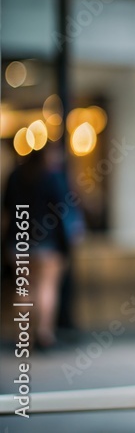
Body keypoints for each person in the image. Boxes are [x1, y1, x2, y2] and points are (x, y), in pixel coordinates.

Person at [3, 143, 84, 349]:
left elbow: (6, 208)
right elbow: (64, 209)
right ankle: (44, 334)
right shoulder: (52, 177)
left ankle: (23, 336)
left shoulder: (16, 175)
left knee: (23, 289)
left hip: (19, 239)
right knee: (46, 287)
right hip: (47, 241)